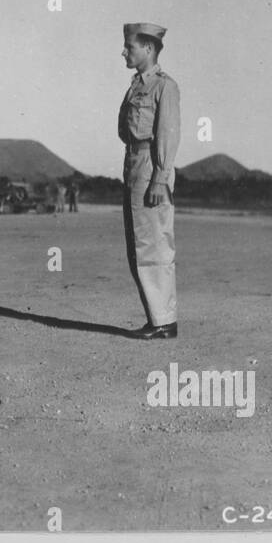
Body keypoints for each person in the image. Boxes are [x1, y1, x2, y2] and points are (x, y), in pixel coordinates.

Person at [118, 22, 180, 340]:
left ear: (148, 48)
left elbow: (167, 133)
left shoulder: (163, 86)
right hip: (133, 164)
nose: (124, 51)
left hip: (150, 167)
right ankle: (157, 318)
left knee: (154, 245)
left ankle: (165, 321)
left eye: (130, 46)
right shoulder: (136, 86)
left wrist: (160, 177)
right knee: (138, 247)